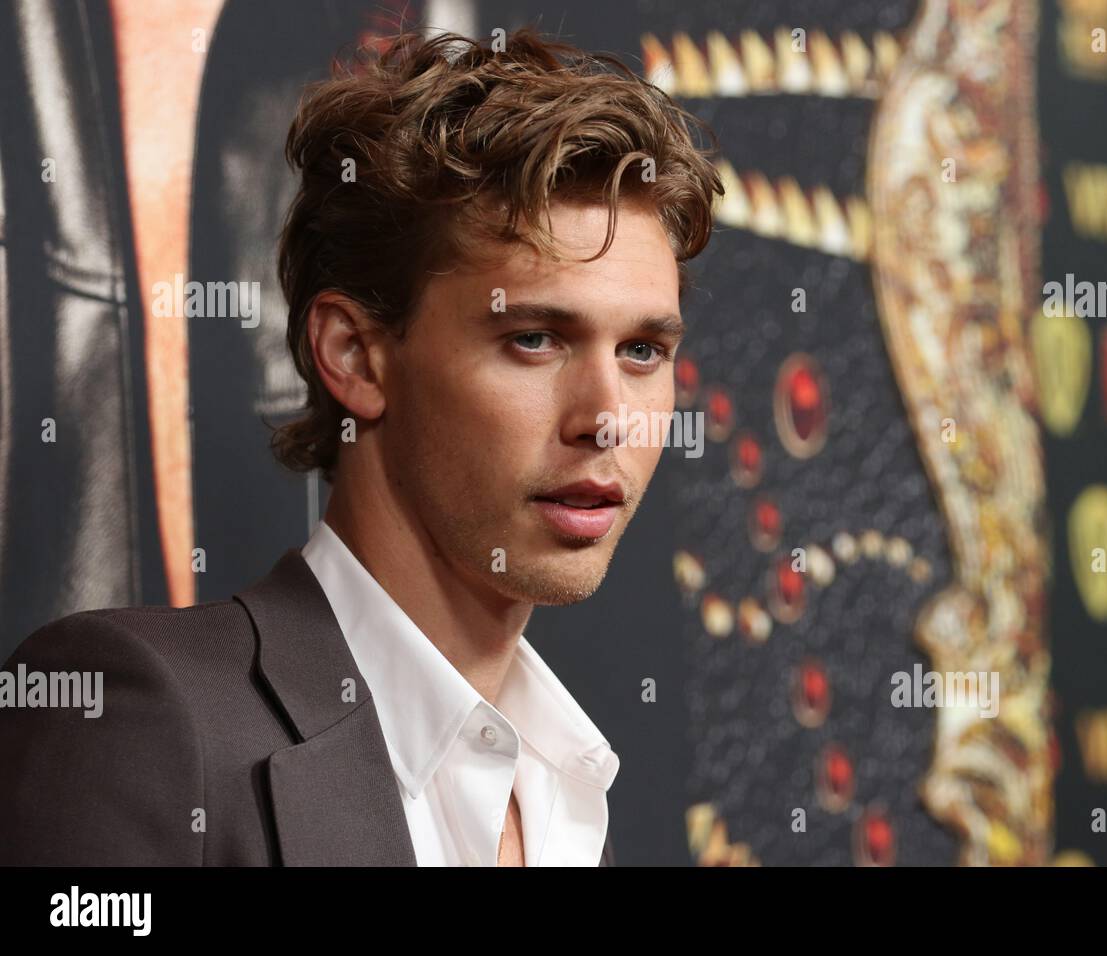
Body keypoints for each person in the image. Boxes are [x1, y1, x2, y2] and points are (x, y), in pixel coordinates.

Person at [0, 26, 723, 867]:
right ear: (352, 355)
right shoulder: (137, 722)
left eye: (642, 351)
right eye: (534, 338)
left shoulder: (575, 783)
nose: (609, 418)